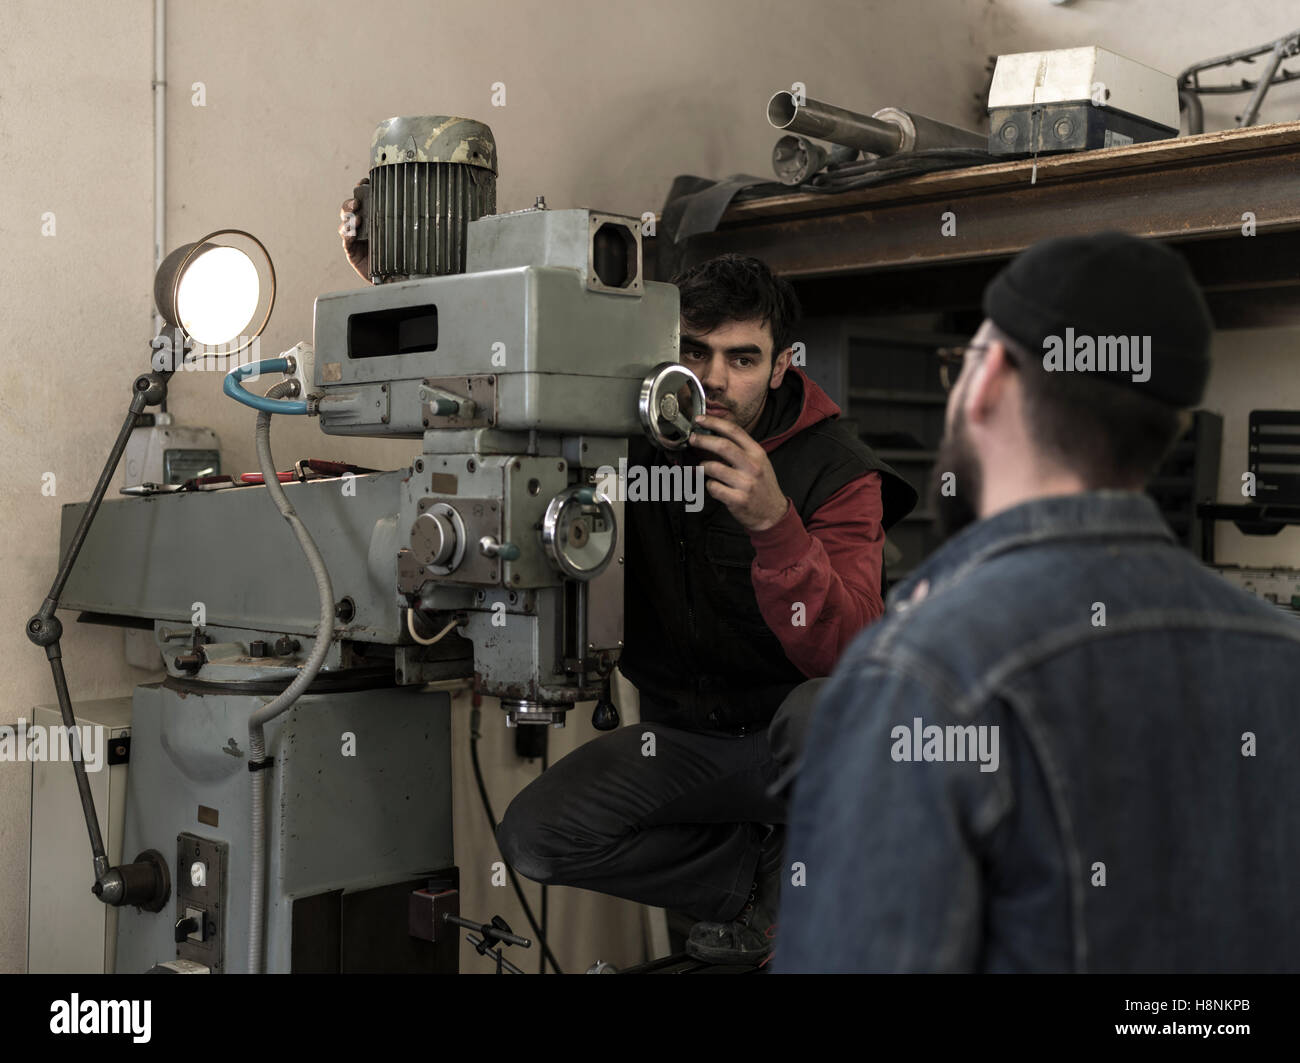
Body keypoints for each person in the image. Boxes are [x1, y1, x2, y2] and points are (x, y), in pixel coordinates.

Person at [341, 196, 917, 965]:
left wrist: (776, 523)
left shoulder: (837, 470)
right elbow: (496, 401)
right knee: (537, 835)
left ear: (783, 364)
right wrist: (393, 291)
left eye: (743, 358)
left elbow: (848, 650)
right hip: (681, 741)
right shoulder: (628, 435)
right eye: (695, 352)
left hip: (791, 748)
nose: (714, 379)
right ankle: (756, 886)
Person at [777, 231, 1300, 973]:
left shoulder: (922, 677)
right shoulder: (1284, 655)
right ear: (1168, 429)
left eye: (959, 364)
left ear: (988, 378)